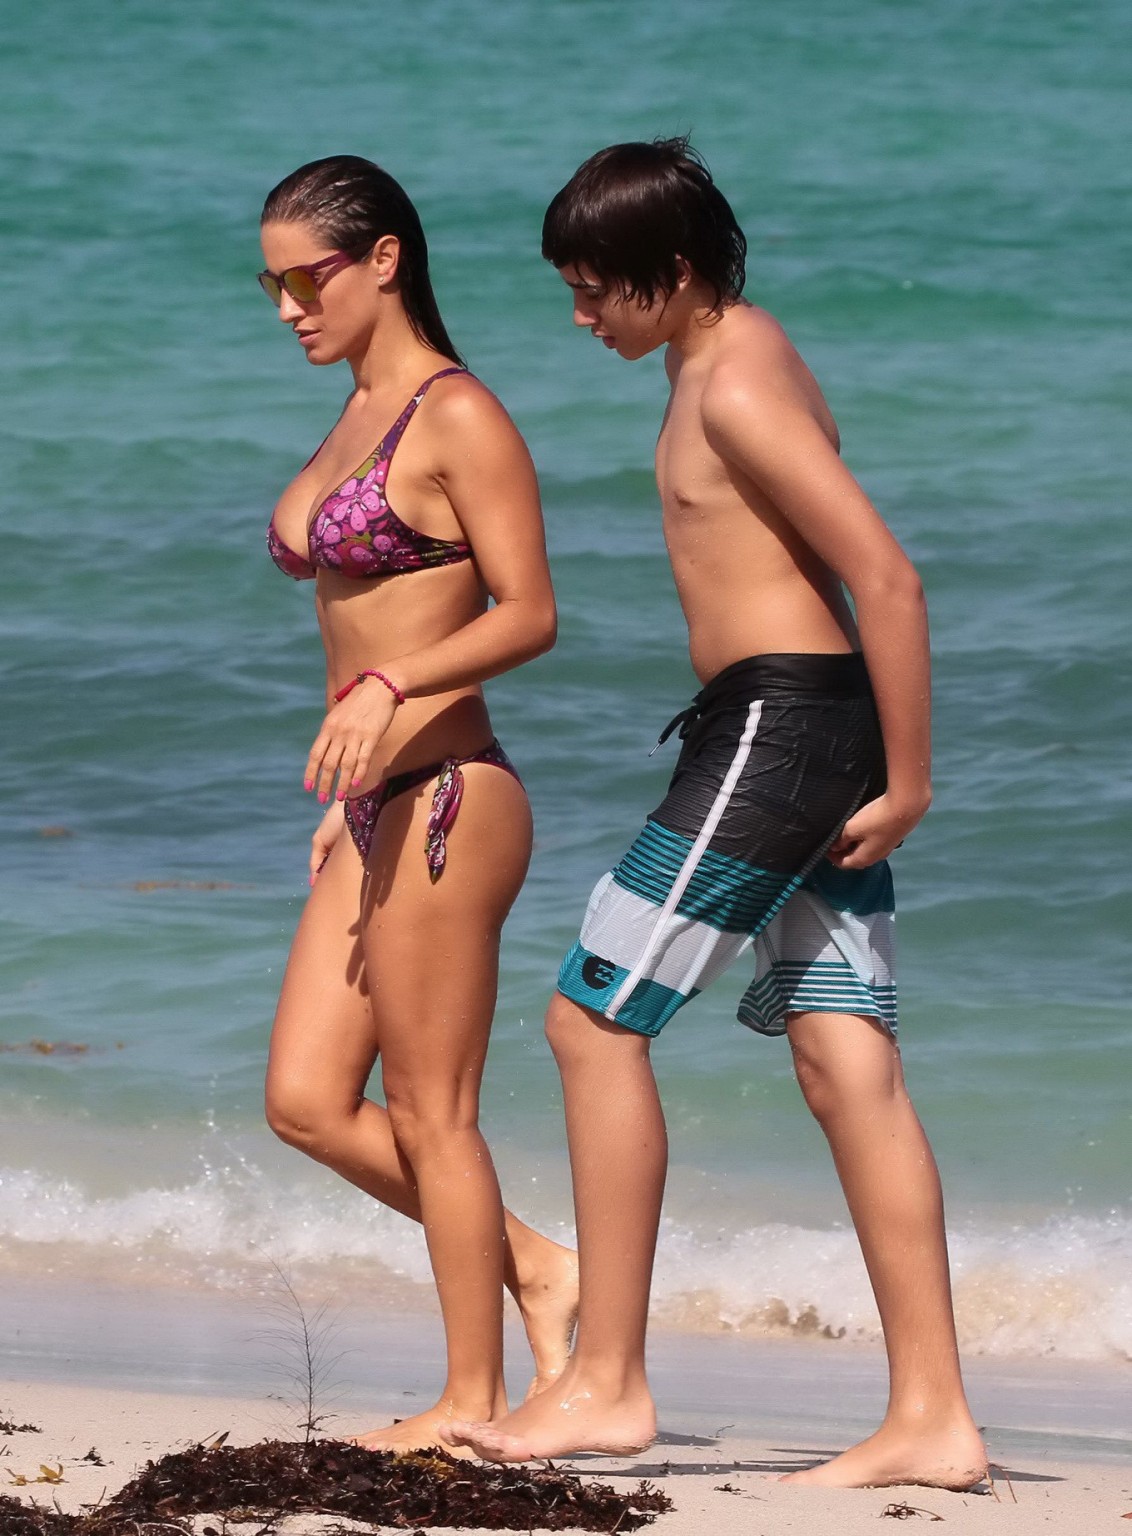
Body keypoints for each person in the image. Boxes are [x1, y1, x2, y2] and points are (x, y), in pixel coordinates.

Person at [445, 138, 987, 1491]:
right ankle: (935, 1416)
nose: (582, 318)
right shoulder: (738, 351)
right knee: (843, 1059)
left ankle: (609, 1382)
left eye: (598, 292)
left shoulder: (737, 385)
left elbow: (891, 578)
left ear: (673, 274)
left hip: (782, 729)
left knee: (590, 1019)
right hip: (801, 730)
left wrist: (910, 782)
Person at [258, 154, 577, 1453]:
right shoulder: (347, 415)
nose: (286, 306)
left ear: (384, 258)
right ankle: (538, 1265)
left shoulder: (456, 416)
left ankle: (471, 1397)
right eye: (268, 284)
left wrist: (394, 683)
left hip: (452, 794)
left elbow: (530, 613)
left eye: (305, 277)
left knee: (435, 1109)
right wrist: (355, 763)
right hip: (376, 803)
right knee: (307, 1098)